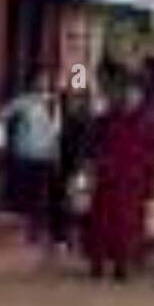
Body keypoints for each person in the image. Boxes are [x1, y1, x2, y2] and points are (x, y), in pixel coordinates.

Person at [86, 73, 154, 280]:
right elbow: (93, 143)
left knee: (127, 224)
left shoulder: (148, 121)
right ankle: (97, 263)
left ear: (140, 97)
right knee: (101, 222)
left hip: (132, 180)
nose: (130, 97)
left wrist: (145, 168)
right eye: (127, 93)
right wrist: (98, 162)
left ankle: (122, 265)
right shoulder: (107, 118)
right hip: (108, 178)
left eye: (134, 94)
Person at [0, 69, 60, 245]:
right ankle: (29, 229)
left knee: (45, 195)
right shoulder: (25, 102)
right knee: (29, 194)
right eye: (40, 81)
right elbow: (3, 115)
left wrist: (55, 151)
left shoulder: (54, 103)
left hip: (47, 154)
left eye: (46, 81)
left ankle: (42, 229)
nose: (43, 85)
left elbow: (55, 130)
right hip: (28, 153)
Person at [50, 86, 92, 249]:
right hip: (65, 166)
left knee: (75, 202)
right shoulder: (67, 119)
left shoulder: (82, 121)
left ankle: (70, 237)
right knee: (66, 201)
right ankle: (64, 236)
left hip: (75, 166)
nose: (72, 104)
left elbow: (83, 146)